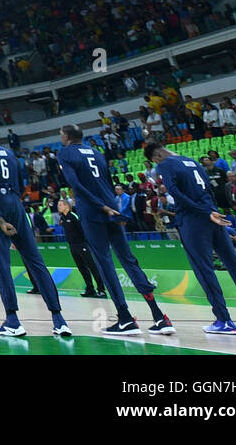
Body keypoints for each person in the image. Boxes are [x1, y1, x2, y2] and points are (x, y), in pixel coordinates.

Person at [146, 141, 236, 335]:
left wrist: (203, 212)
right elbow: (209, 189)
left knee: (204, 270)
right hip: (213, 215)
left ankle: (224, 320)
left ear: (156, 157)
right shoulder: (192, 161)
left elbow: (174, 193)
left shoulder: (164, 165)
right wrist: (212, 211)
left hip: (193, 220)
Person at [56, 125, 176, 335]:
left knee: (105, 263)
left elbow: (76, 185)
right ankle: (159, 316)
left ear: (66, 137)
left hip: (94, 212)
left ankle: (125, 318)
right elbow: (107, 183)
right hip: (112, 207)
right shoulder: (96, 152)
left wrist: (101, 207)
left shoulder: (65, 153)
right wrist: (113, 208)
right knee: (128, 260)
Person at [0, 118, 72, 337]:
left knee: (1, 265)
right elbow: (19, 183)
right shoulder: (9, 154)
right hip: (16, 203)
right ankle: (59, 320)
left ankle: (13, 321)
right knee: (35, 261)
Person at [55, 199, 107, 300]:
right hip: (72, 246)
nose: (58, 207)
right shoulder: (62, 218)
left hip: (81, 245)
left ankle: (101, 290)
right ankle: (90, 289)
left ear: (67, 206)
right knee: (82, 268)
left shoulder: (73, 216)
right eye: (58, 205)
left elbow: (82, 230)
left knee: (92, 267)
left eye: (60, 205)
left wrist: (85, 243)